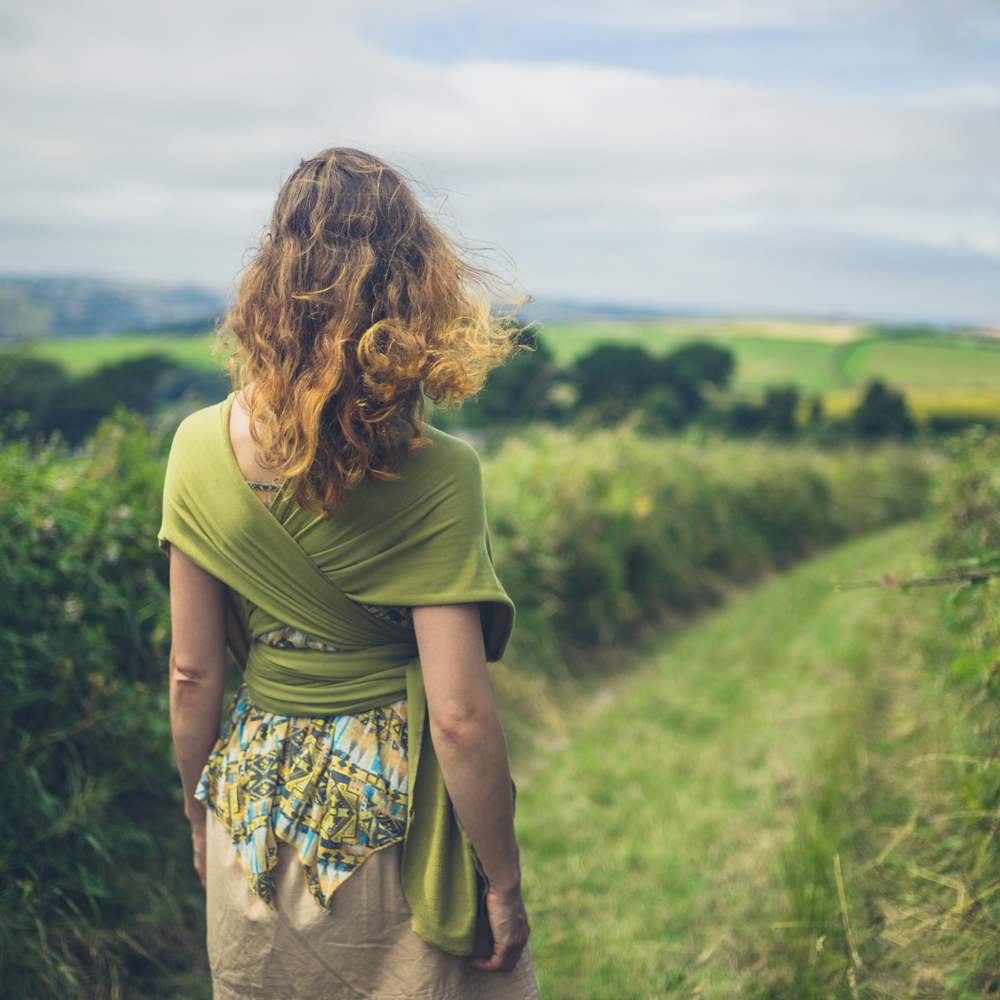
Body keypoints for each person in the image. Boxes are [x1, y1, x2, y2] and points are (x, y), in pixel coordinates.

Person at [159, 147, 538, 1000]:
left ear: (270, 278)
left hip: (249, 815)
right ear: (417, 288)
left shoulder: (194, 447)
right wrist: (503, 879)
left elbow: (191, 675)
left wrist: (198, 809)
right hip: (394, 822)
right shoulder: (438, 473)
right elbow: (462, 717)